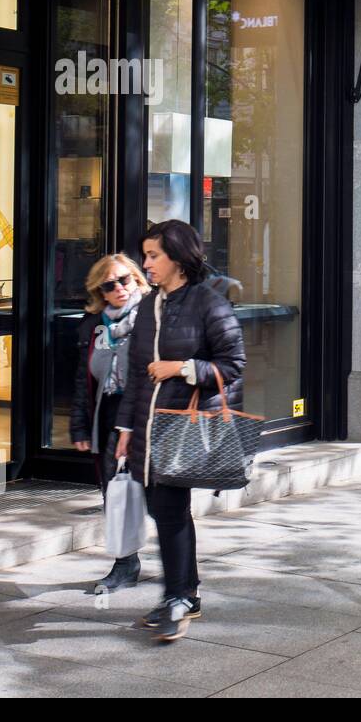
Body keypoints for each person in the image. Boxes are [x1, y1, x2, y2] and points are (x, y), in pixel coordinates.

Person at [115, 221, 245, 642]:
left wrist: (183, 368)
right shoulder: (151, 305)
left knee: (168, 511)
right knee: (162, 509)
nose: (146, 264)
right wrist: (124, 428)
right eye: (146, 255)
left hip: (184, 426)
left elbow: (233, 364)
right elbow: (137, 373)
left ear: (178, 258)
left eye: (154, 255)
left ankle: (179, 596)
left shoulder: (210, 303)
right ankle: (185, 594)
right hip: (149, 427)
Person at [71, 253, 150, 594]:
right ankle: (125, 563)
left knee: (164, 499)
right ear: (100, 291)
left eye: (124, 280)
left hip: (146, 417)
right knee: (116, 493)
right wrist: (78, 425)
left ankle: (183, 573)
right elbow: (82, 379)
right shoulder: (94, 326)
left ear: (137, 279)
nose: (119, 288)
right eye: (109, 285)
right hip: (108, 415)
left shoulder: (152, 317)